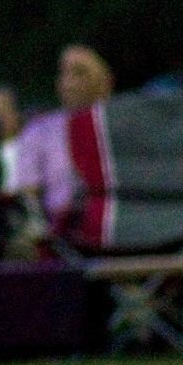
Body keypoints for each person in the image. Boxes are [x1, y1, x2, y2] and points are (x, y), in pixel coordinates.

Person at [10, 44, 116, 239]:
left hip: (118, 225)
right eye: (64, 73)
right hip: (60, 237)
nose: (69, 82)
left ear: (106, 82)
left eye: (79, 73)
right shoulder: (38, 132)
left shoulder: (123, 128)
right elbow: (27, 196)